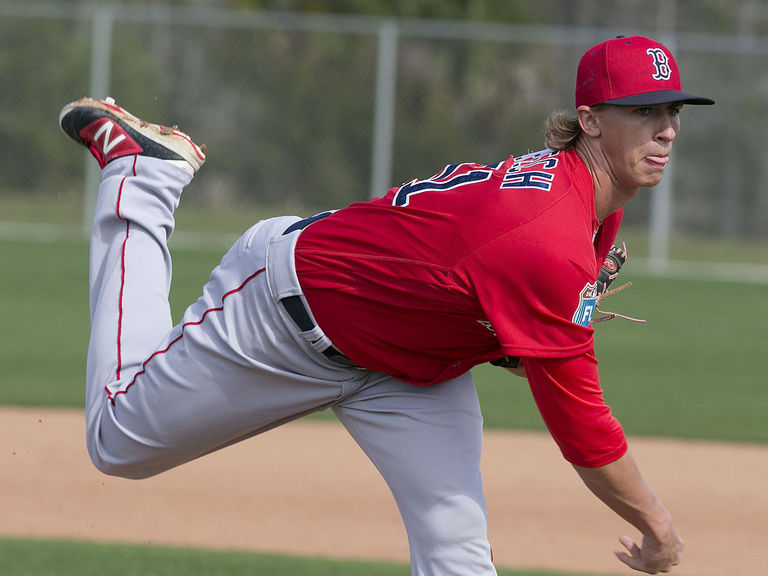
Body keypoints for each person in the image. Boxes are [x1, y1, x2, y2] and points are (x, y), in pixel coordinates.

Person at [59, 35, 713, 575]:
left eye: (673, 112)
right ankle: (142, 180)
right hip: (287, 314)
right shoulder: (549, 236)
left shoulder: (592, 210)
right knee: (118, 441)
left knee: (456, 550)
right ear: (591, 120)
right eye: (644, 112)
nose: (666, 130)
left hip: (410, 370)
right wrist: (657, 528)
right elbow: (586, 434)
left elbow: (481, 293)